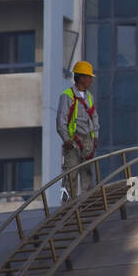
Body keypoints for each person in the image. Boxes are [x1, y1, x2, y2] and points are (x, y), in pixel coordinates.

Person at [56, 61, 99, 200]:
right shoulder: (67, 96)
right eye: (89, 77)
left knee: (87, 175)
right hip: (73, 142)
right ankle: (69, 207)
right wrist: (66, 139)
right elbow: (61, 120)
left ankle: (86, 204)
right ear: (81, 78)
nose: (91, 81)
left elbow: (95, 118)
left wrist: (95, 137)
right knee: (71, 176)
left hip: (87, 141)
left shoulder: (89, 97)